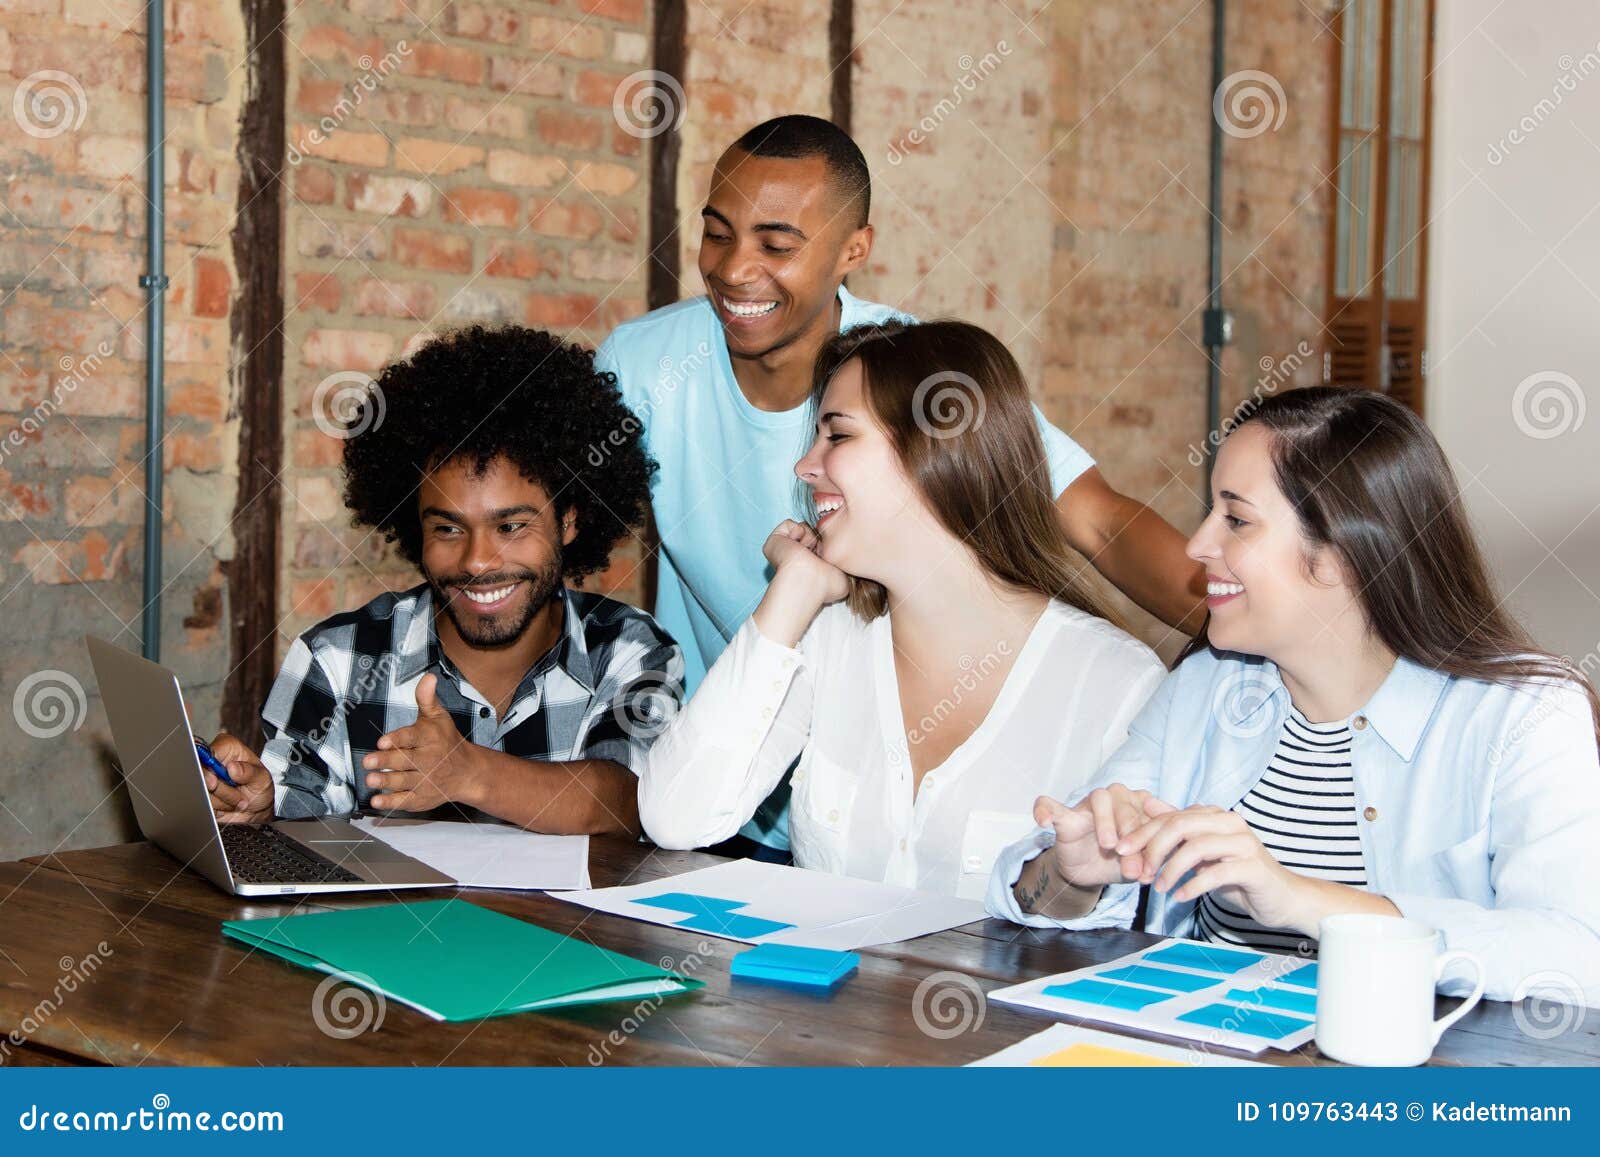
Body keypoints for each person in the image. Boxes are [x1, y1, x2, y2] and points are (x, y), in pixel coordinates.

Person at [598, 113, 1203, 858]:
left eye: (776, 245)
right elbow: (544, 523)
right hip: (728, 761)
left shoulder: (906, 375)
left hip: (853, 780)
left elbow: (1099, 522)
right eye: (717, 234)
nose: (733, 268)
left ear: (855, 249)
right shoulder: (645, 364)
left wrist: (1253, 646)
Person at [990, 386, 1600, 1003]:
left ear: (1344, 552)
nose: (1197, 546)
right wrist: (1073, 874)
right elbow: (1033, 897)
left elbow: (1577, 954)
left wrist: (1296, 898)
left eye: (1236, 520)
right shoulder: (1206, 684)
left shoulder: (1525, 714)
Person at [637, 320, 1167, 898]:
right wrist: (792, 591)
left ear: (936, 451)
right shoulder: (827, 638)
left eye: (838, 436)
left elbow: (1122, 917)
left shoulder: (1116, 683)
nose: (805, 466)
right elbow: (675, 818)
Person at [203, 325, 682, 837]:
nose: (477, 562)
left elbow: (628, 803)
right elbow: (291, 806)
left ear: (568, 521)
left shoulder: (628, 649)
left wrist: (470, 773)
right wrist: (256, 801)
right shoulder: (338, 661)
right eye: (449, 529)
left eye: (510, 527)